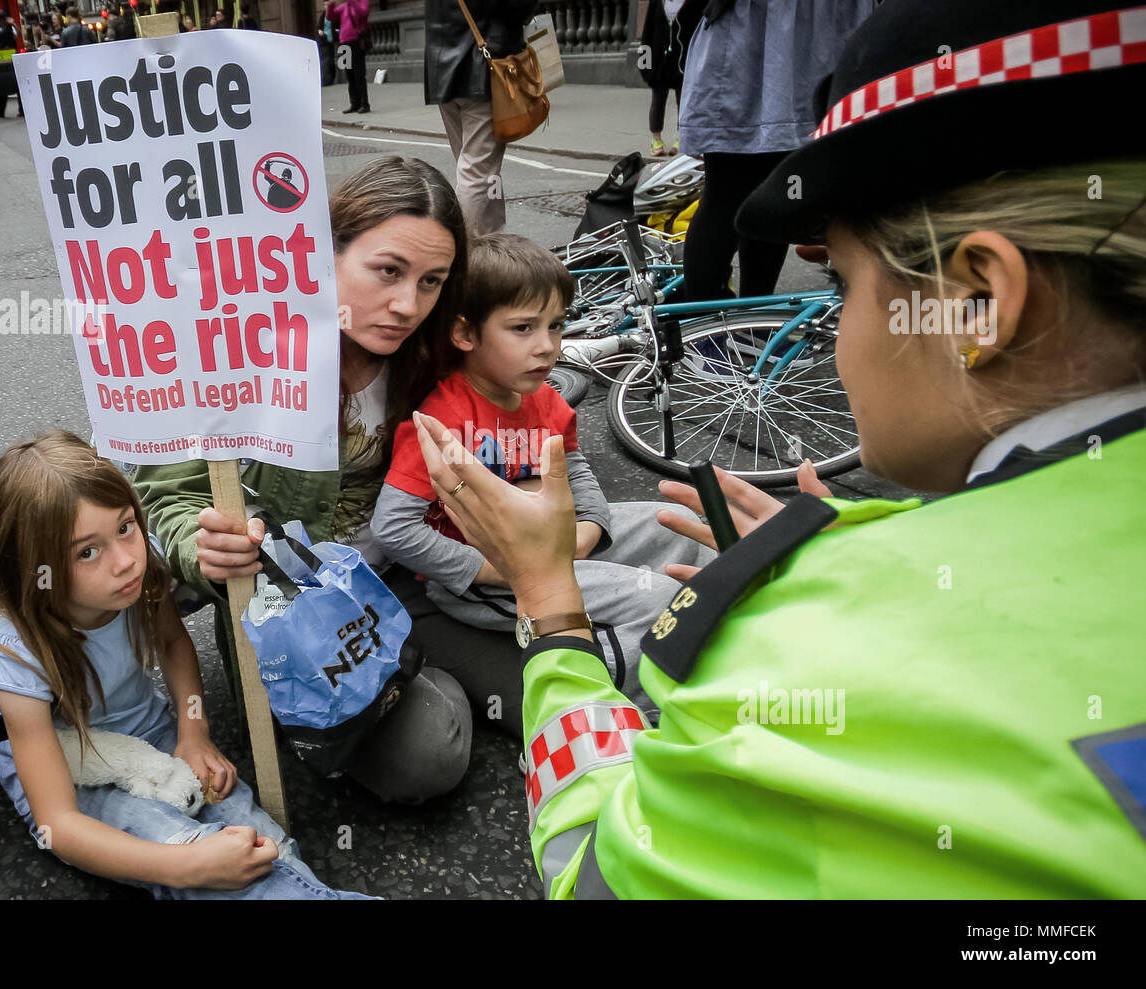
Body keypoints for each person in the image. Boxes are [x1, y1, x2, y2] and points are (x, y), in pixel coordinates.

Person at [411, 0, 1146, 898]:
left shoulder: (800, 663)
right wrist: (882, 558)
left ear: (976, 303)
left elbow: (596, 866)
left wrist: (554, 614)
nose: (836, 335)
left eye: (841, 283)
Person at [134, 157, 528, 804]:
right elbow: (167, 493)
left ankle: (418, 665)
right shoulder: (241, 340)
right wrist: (202, 549)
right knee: (431, 757)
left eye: (431, 281)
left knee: (547, 687)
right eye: (387, 272)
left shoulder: (431, 349)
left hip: (404, 574)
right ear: (324, 252)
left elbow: (527, 405)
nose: (407, 304)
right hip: (292, 606)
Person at [0, 430, 370, 899]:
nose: (126, 560)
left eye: (125, 526)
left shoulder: (140, 565)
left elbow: (172, 643)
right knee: (196, 856)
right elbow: (60, 824)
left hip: (157, 731)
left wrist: (194, 733)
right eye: (87, 551)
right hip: (75, 764)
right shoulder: (17, 648)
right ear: (33, 570)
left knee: (267, 847)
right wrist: (187, 865)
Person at [372, 233, 713, 716]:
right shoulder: (440, 421)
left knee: (676, 522)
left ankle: (721, 645)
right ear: (466, 334)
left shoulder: (546, 399)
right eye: (523, 328)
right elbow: (394, 527)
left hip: (548, 543)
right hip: (479, 581)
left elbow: (574, 469)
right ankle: (634, 712)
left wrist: (588, 530)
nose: (547, 347)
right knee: (655, 600)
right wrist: (506, 569)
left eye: (555, 326)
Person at [678, 0, 875, 300]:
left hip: (808, 30)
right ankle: (702, 329)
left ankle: (753, 324)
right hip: (759, 30)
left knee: (769, 189)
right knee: (730, 190)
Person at [424, 0, 537, 235]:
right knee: (477, 173)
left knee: (478, 170)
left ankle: (493, 239)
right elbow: (516, 8)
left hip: (443, 71)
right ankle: (459, 252)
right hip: (483, 68)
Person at [637, 0, 702, 157]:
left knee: (684, 101)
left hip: (682, 61)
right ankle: (656, 140)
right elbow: (647, 33)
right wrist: (644, 66)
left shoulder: (693, 3)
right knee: (658, 100)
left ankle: (681, 138)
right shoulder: (657, 2)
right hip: (660, 62)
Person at [325, 0, 370, 113]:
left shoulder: (362, 2)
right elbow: (330, 17)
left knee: (359, 74)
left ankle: (365, 104)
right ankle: (354, 103)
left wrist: (353, 3)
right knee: (349, 74)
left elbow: (363, 13)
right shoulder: (343, 6)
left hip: (356, 42)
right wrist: (330, 5)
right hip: (343, 43)